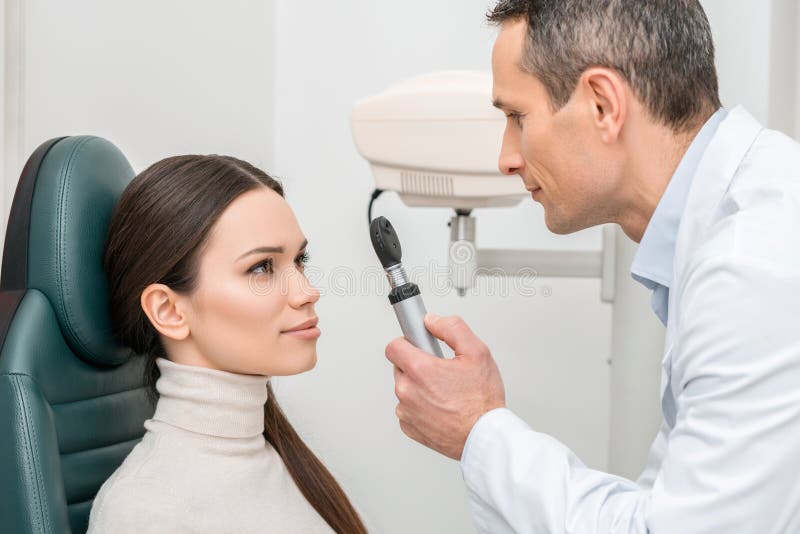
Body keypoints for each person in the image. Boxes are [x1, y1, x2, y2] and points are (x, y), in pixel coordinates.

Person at [385, 1, 800, 532]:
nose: (506, 157)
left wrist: (478, 430)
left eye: (517, 117)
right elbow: (671, 510)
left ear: (603, 105)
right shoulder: (745, 226)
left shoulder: (751, 268)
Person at [88, 155, 366, 533]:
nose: (307, 292)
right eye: (261, 267)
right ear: (169, 310)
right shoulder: (144, 512)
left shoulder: (286, 464)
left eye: (300, 259)